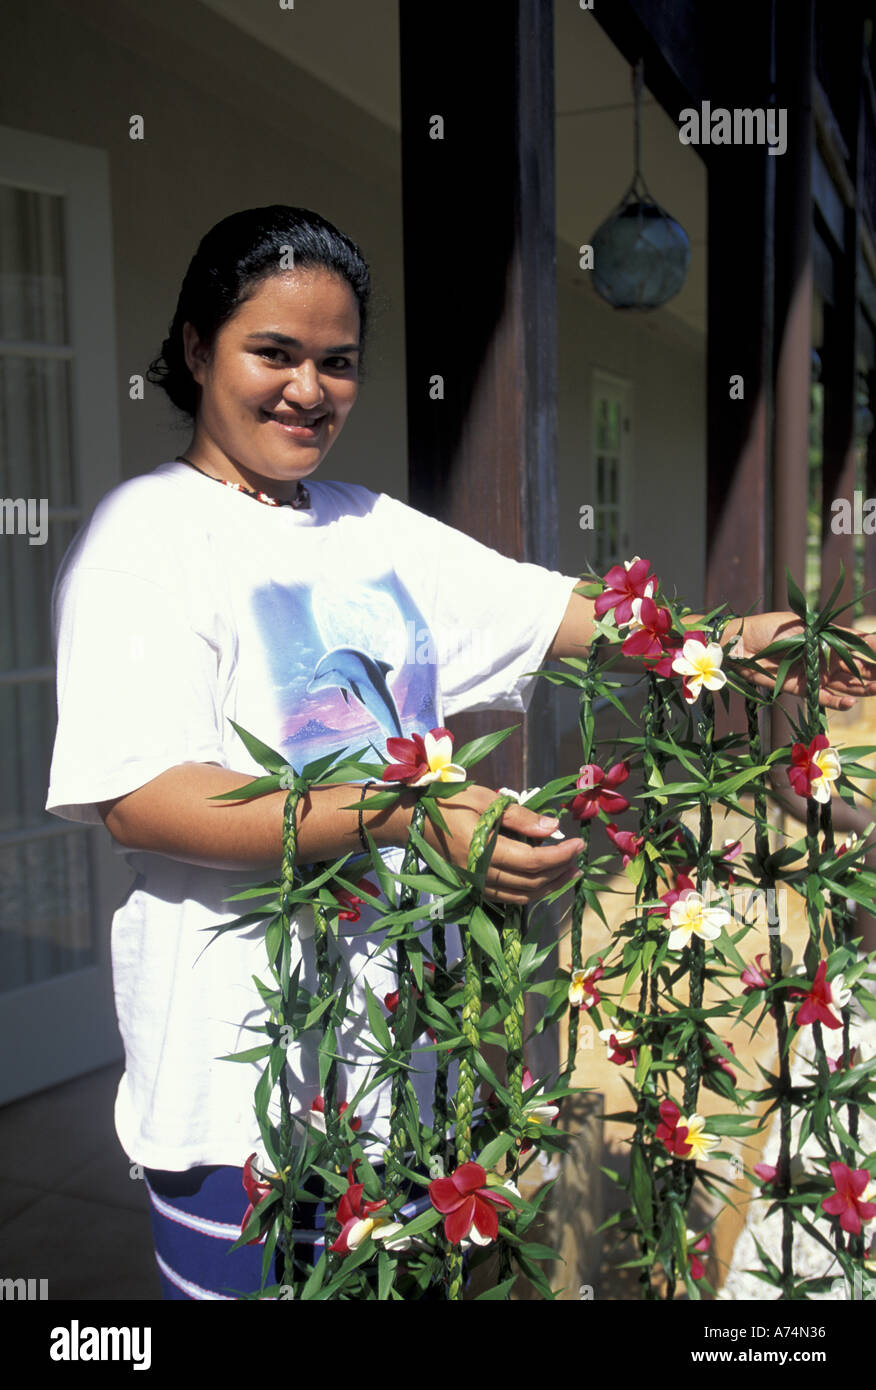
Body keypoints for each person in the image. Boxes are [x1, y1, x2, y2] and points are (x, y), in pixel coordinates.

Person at [45, 206, 876, 1300]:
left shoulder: (365, 527)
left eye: (337, 363)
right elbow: (144, 798)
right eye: (274, 353)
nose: (309, 389)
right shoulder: (144, 537)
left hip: (406, 1062)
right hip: (237, 1084)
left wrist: (723, 644)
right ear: (198, 348)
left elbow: (552, 614)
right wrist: (408, 813)